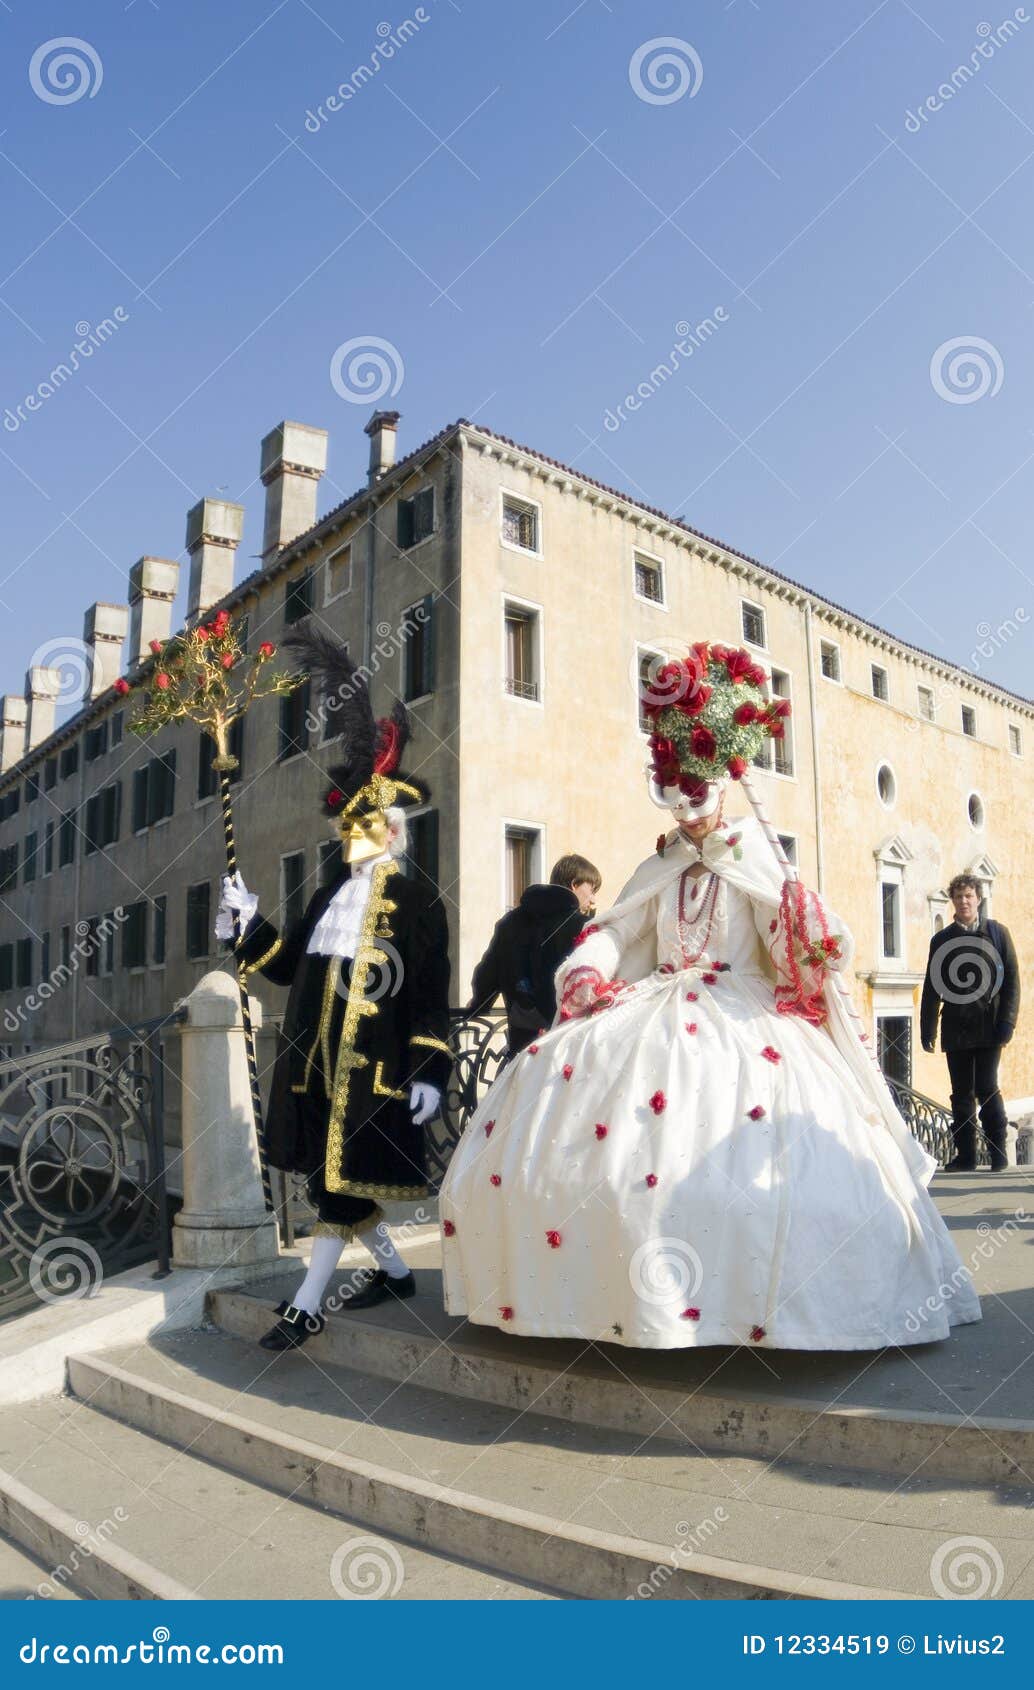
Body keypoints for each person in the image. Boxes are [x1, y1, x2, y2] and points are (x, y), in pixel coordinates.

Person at [440, 641, 980, 1351]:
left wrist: (802, 926)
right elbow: (622, 930)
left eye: (694, 796)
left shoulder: (755, 858)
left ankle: (742, 1309)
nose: (687, 814)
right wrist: (589, 966)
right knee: (614, 1159)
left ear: (722, 785)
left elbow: (788, 948)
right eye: (673, 797)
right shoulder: (658, 865)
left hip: (746, 1020)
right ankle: (608, 1302)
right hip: (654, 1013)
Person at [216, 627, 451, 1350]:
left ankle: (307, 1305)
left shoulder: (418, 904)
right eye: (347, 827)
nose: (351, 837)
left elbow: (428, 994)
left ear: (391, 830)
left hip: (373, 1074)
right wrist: (248, 921)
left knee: (340, 1189)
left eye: (363, 825)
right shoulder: (325, 899)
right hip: (310, 1070)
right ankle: (396, 1273)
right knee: (331, 1184)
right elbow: (285, 965)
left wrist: (431, 1070)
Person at [920, 873, 1020, 1173]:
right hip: (956, 1026)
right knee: (961, 1093)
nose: (964, 901)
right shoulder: (941, 940)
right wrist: (928, 1028)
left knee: (987, 1088)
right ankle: (966, 1156)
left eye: (969, 896)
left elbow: (1012, 982)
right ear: (953, 900)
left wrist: (1008, 1022)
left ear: (978, 899)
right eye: (959, 896)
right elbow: (932, 986)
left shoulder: (998, 933)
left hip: (990, 1026)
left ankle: (998, 1153)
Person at [468, 853, 601, 1055]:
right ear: (574, 884)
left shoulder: (510, 921)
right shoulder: (581, 926)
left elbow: (489, 972)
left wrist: (479, 1004)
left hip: (522, 1044)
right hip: (563, 1047)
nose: (592, 899)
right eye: (592, 890)